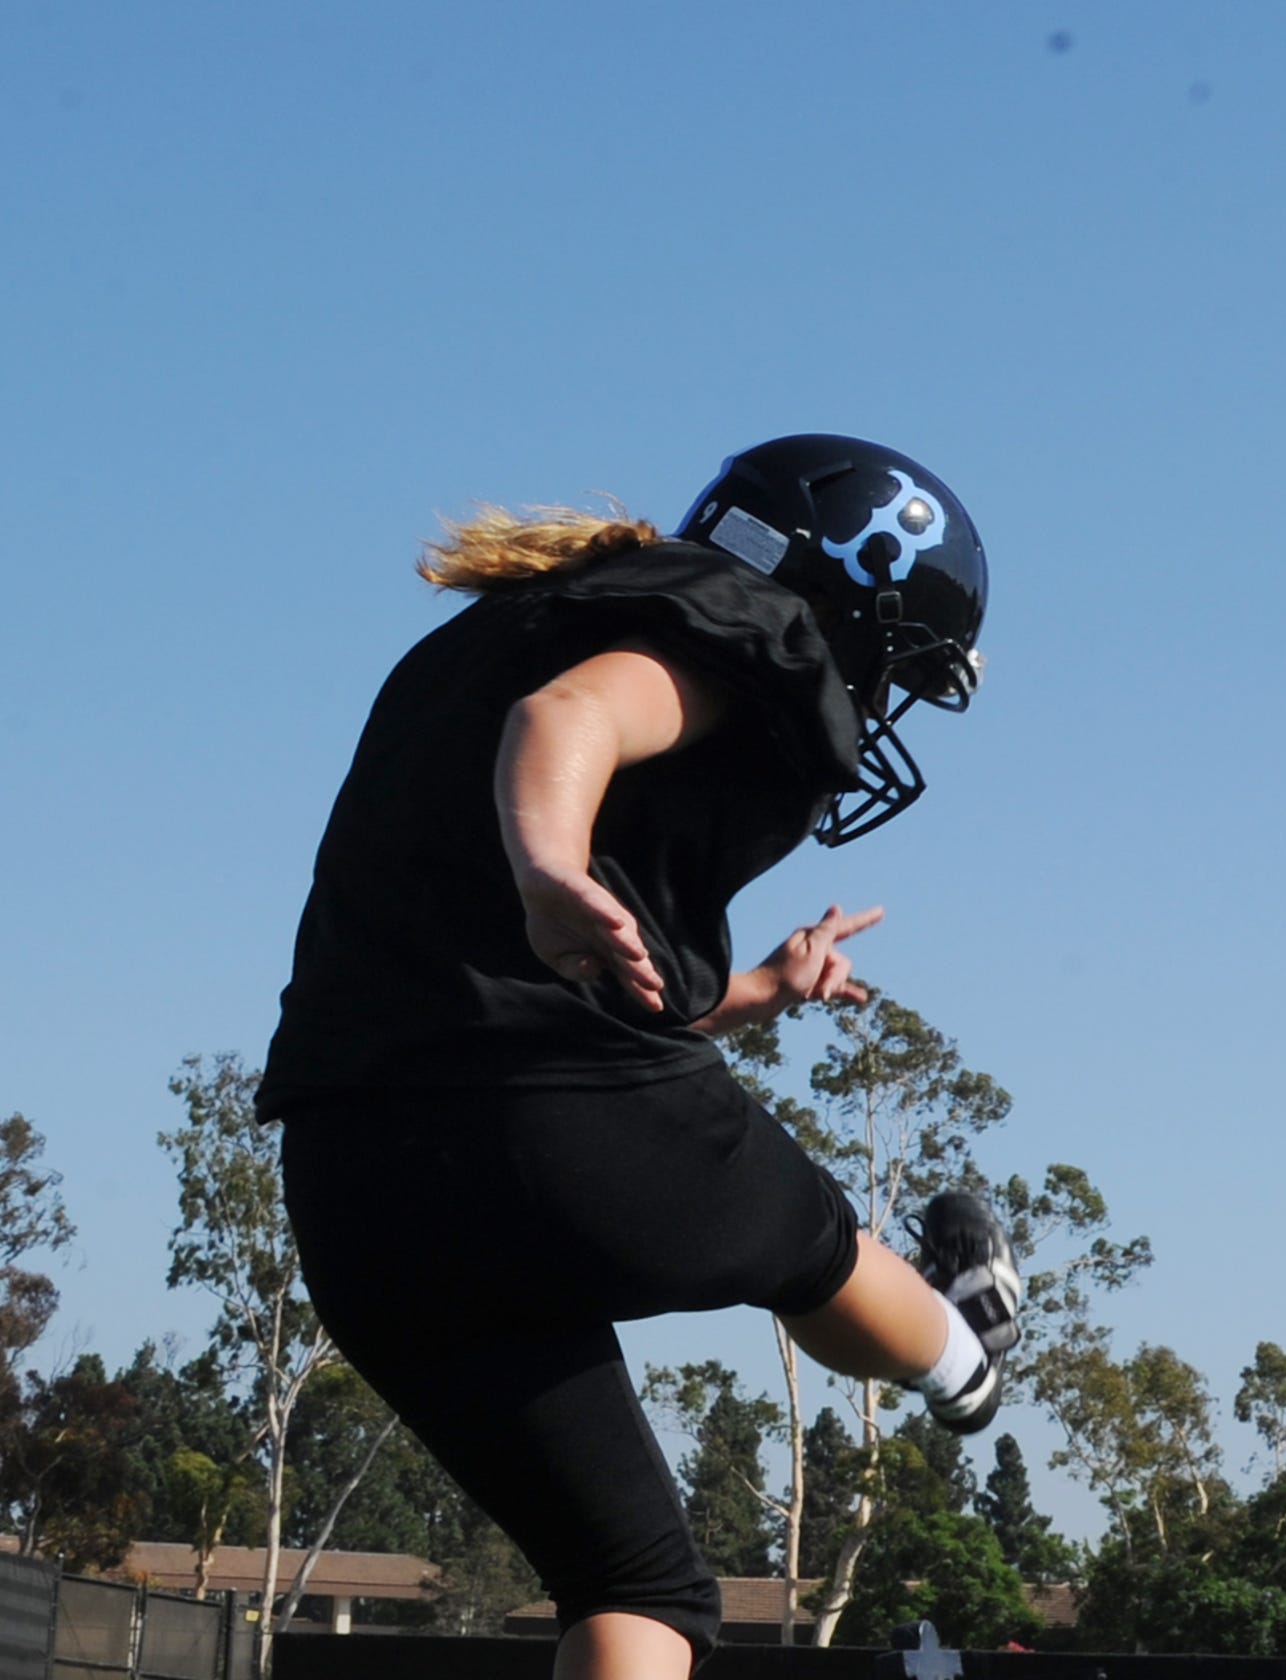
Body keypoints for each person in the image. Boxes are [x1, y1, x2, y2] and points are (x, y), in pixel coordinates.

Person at [263, 436, 1021, 1680]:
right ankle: (964, 1354)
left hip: (355, 1176)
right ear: (847, 590)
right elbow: (567, 719)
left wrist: (751, 988)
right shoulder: (723, 624)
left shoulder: (504, 627)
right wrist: (548, 862)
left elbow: (527, 978)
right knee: (820, 1254)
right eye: (899, 662)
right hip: (565, 1130)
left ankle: (951, 1347)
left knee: (631, 1589)